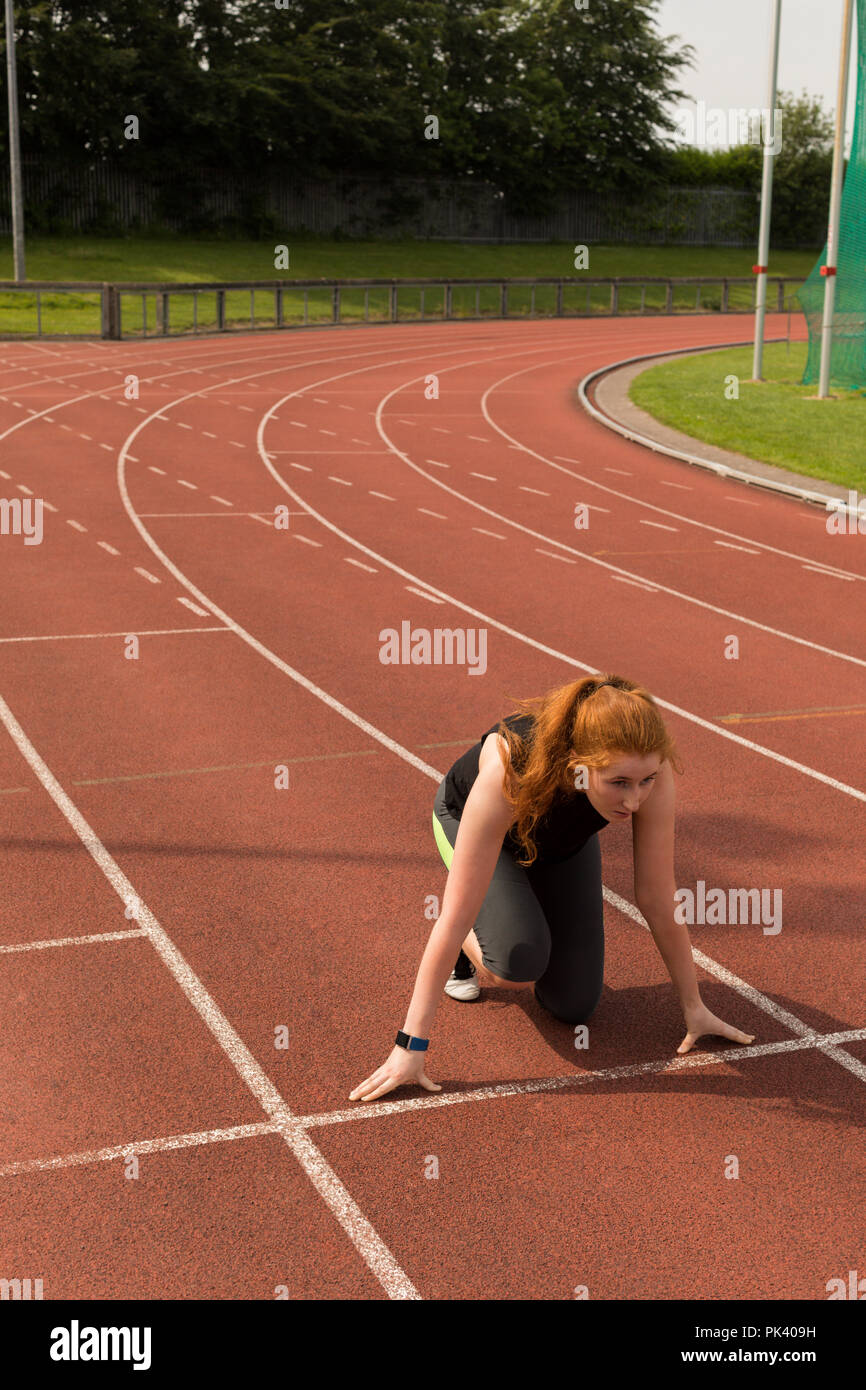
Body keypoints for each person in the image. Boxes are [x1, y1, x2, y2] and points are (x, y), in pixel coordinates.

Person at [349, 673, 755, 1103]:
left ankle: (510, 914)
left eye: (646, 781)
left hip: (560, 845)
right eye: (618, 783)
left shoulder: (648, 766)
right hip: (479, 829)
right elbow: (453, 917)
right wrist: (410, 1048)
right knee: (515, 963)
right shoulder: (512, 767)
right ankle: (471, 954)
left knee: (574, 1006)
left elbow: (656, 895)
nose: (635, 800)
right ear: (578, 765)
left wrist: (694, 1007)